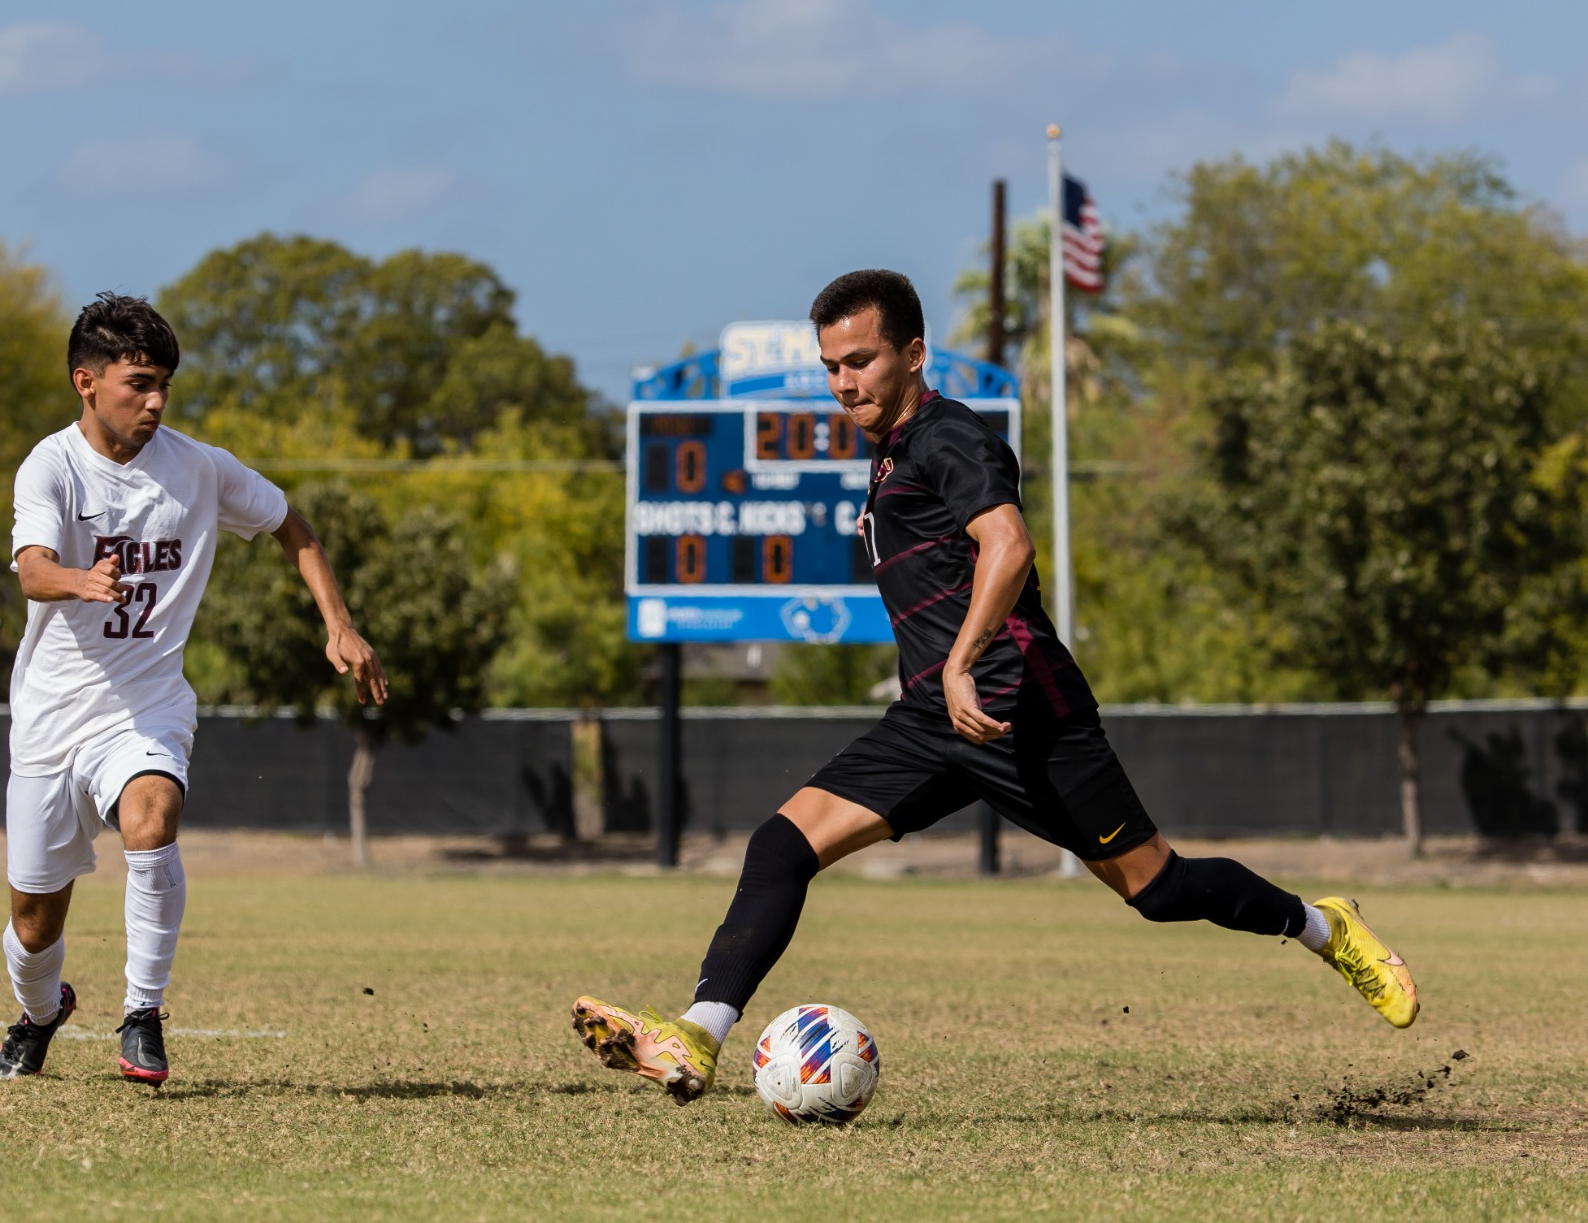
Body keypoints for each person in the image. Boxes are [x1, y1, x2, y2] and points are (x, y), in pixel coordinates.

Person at [573, 269, 1419, 1104]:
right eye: (831, 366)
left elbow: (1009, 545)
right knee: (781, 845)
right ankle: (699, 1033)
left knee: (1158, 888)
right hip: (932, 717)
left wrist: (960, 660)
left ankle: (1324, 926)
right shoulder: (890, 455)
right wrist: (943, 680)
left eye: (861, 361)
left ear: (913, 353)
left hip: (1023, 710)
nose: (844, 383)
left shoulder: (950, 436)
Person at [0, 292, 388, 1085]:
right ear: (86, 381)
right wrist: (79, 579)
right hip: (51, 716)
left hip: (147, 704)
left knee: (153, 817)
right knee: (33, 923)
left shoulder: (198, 467)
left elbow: (292, 525)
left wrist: (339, 623)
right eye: (138, 383)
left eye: (165, 385)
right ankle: (40, 1011)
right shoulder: (50, 465)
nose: (156, 402)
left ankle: (143, 1012)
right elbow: (31, 569)